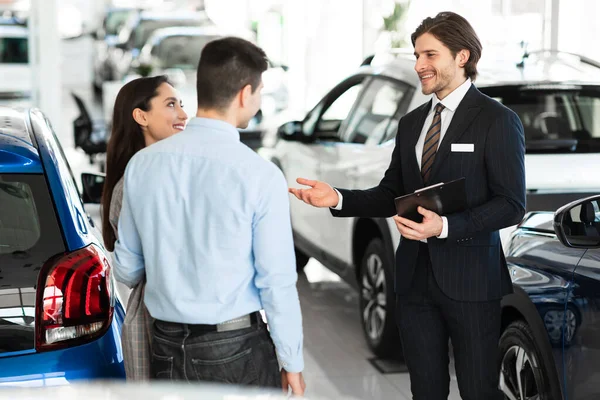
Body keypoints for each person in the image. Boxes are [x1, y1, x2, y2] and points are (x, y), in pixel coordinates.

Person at [289, 12, 525, 400]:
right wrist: (339, 197)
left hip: (471, 282)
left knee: (478, 390)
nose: (419, 66)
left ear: (462, 56)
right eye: (417, 55)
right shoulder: (412, 123)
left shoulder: (497, 120)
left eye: (429, 55)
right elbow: (391, 194)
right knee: (425, 391)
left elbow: (511, 204)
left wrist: (446, 226)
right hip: (414, 279)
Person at [112, 37, 306, 396]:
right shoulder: (259, 174)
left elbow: (126, 269)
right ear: (245, 94)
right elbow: (275, 282)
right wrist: (291, 361)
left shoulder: (141, 166)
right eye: (260, 92)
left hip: (165, 346)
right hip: (235, 349)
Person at [101, 75, 188, 380]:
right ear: (141, 116)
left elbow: (128, 271)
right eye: (171, 104)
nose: (183, 114)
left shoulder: (129, 181)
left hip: (157, 318)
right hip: (161, 324)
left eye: (181, 104)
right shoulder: (142, 181)